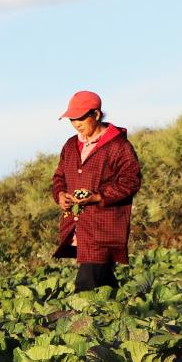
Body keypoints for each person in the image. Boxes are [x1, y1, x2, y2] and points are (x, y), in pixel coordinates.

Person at [51, 90, 142, 292]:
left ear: (97, 115)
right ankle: (126, 312)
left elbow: (131, 181)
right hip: (79, 226)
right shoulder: (70, 145)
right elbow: (59, 178)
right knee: (103, 284)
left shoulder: (119, 146)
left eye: (81, 118)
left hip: (104, 228)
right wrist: (60, 195)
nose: (76, 123)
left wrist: (99, 196)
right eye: (72, 119)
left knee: (85, 287)